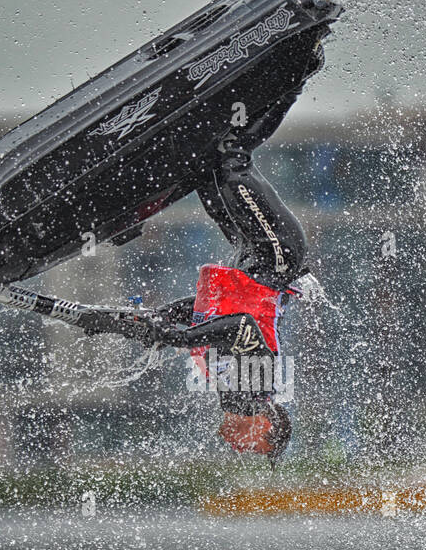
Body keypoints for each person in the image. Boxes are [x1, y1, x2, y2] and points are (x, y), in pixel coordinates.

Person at [94, 120, 309, 462]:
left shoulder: (225, 382)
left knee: (206, 174)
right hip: (277, 257)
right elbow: (240, 326)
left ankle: (193, 129)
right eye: (255, 448)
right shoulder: (259, 382)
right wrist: (177, 338)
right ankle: (259, 97)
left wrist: (161, 318)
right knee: (232, 164)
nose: (239, 449)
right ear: (265, 424)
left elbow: (206, 312)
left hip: (248, 255)